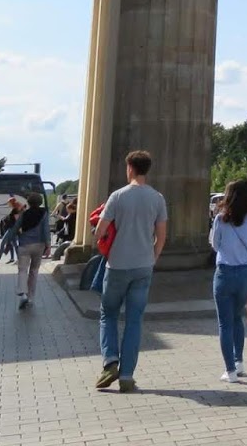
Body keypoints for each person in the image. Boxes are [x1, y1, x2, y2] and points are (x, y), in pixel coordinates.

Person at [95, 150, 169, 393]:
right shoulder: (157, 198)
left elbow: (100, 231)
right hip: (143, 265)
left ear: (130, 168)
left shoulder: (118, 196)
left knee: (108, 314)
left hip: (117, 264)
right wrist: (153, 257)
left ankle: (110, 363)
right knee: (135, 320)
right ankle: (127, 375)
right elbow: (161, 235)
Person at [209, 180, 247, 382]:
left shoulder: (221, 219)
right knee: (237, 317)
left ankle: (229, 370)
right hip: (245, 273)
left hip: (224, 273)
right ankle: (239, 362)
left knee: (225, 323)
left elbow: (215, 244)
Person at [14, 193, 51, 310]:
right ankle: (30, 298)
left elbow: (15, 228)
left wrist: (8, 241)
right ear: (40, 202)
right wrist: (48, 246)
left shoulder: (24, 214)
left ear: (29, 203)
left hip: (24, 245)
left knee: (22, 270)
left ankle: (23, 293)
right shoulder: (44, 213)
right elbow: (46, 230)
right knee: (34, 271)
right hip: (39, 245)